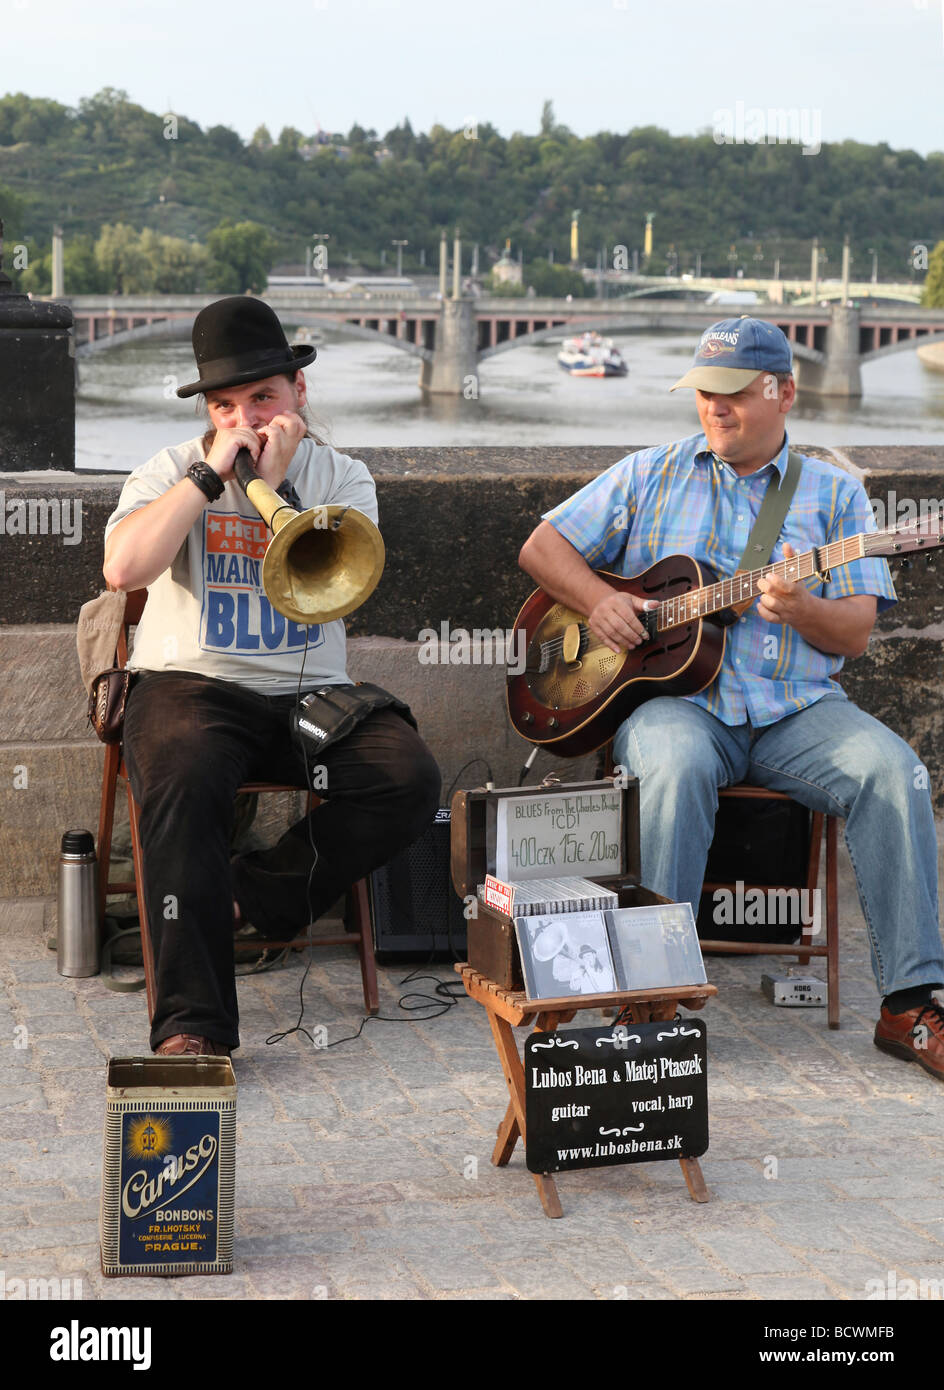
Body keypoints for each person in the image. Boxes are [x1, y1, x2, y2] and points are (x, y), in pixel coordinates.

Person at [519, 316, 944, 1081]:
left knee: (897, 773)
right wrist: (599, 600)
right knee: (672, 769)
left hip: (797, 711)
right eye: (703, 394)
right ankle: (651, 998)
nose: (714, 408)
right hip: (679, 708)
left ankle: (909, 1005)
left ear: (785, 393)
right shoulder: (651, 471)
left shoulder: (837, 496)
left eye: (734, 394)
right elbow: (540, 547)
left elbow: (851, 636)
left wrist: (799, 608)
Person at [102, 296, 441, 1057]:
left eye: (263, 397)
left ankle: (245, 897)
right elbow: (122, 567)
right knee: (183, 778)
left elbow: (351, 581)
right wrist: (205, 476)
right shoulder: (167, 471)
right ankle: (194, 1031)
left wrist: (280, 495)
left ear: (299, 392)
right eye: (226, 406)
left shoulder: (342, 477)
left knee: (406, 776)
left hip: (310, 695)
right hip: (190, 684)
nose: (247, 419)